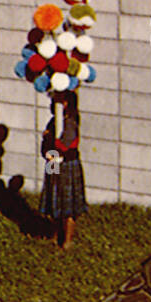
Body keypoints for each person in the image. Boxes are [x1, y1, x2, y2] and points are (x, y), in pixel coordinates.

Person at [41, 88, 86, 250]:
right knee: (54, 198)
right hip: (53, 161)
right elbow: (48, 146)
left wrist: (48, 137)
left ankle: (67, 240)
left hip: (67, 163)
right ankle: (54, 235)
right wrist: (47, 152)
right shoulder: (54, 121)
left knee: (68, 204)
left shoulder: (70, 122)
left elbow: (63, 145)